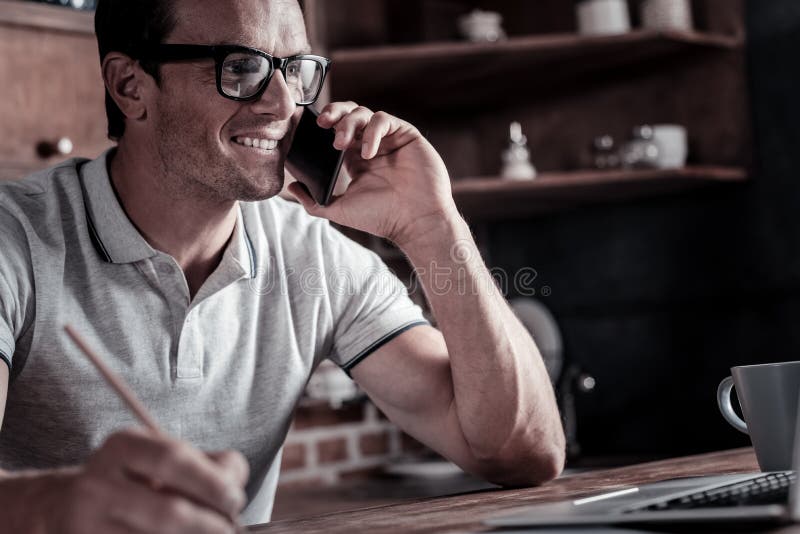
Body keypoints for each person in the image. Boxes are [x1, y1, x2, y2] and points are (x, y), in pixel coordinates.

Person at [0, 0, 565, 531]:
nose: (285, 104)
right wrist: (54, 506)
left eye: (295, 69)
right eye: (241, 66)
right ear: (130, 86)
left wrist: (433, 224)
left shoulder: (313, 253)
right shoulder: (16, 241)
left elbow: (523, 451)